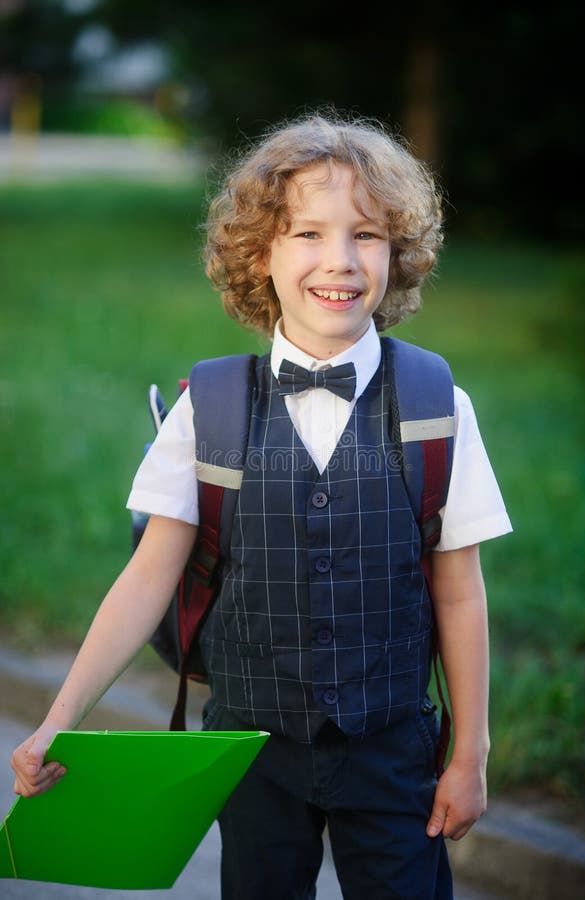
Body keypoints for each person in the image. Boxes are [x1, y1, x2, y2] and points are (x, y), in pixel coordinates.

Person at [11, 112, 512, 899]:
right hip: (249, 752)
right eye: (307, 233)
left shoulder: (435, 405)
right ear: (260, 254)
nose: (339, 259)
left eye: (367, 235)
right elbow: (148, 577)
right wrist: (60, 717)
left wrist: (470, 755)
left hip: (392, 750)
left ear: (398, 254)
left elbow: (458, 590)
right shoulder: (208, 406)